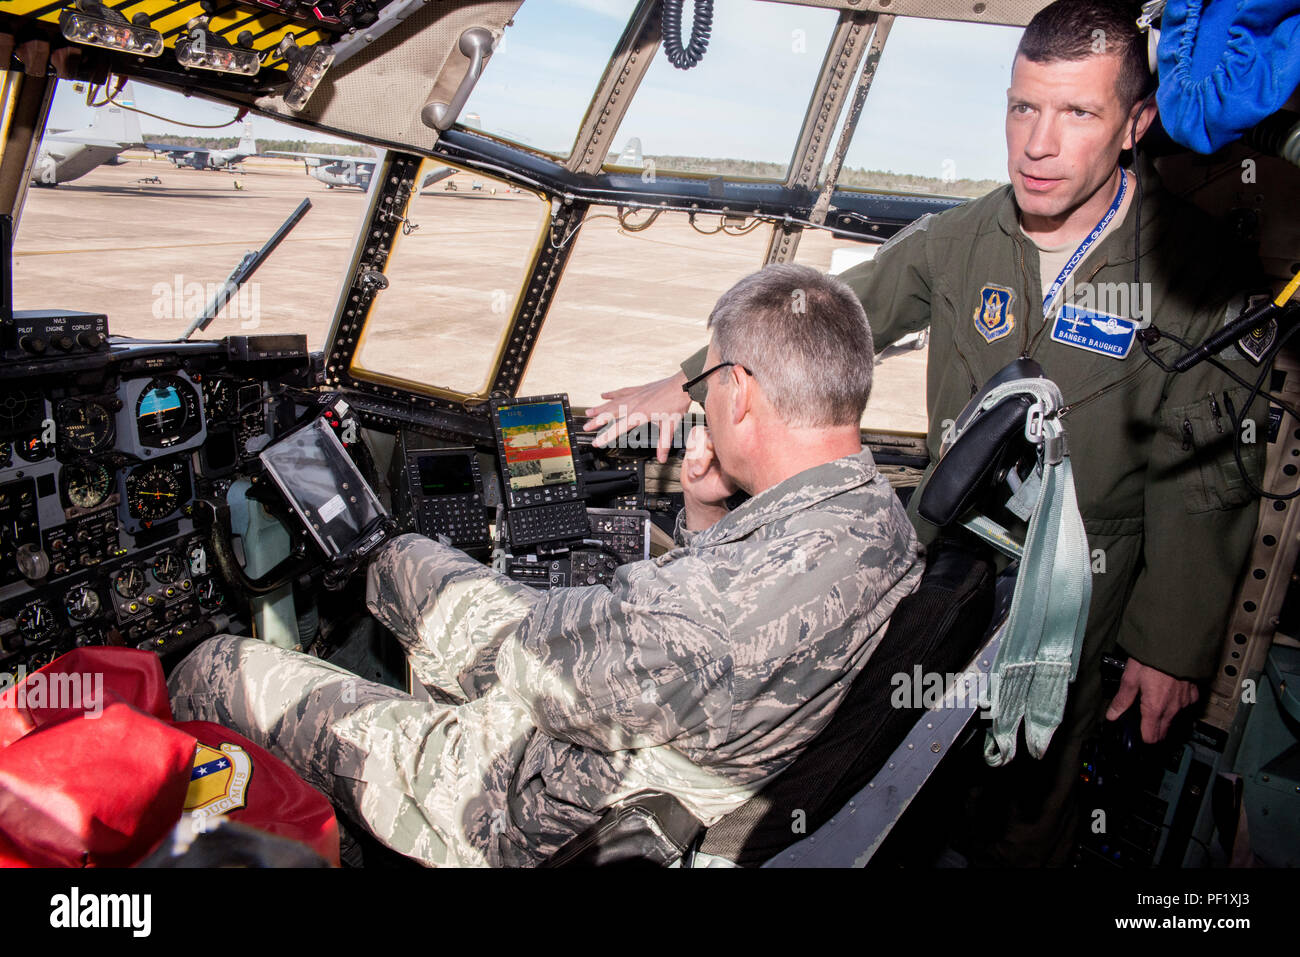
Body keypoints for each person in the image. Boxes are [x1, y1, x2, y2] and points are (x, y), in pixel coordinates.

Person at [584, 0, 1267, 864]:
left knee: (1029, 809)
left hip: (1087, 585)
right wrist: (690, 379)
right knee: (894, 778)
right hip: (944, 557)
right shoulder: (964, 236)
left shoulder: (1194, 270)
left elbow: (1203, 474)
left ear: (1135, 124)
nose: (1038, 143)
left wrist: (1169, 644)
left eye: (1078, 113)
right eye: (1023, 107)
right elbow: (834, 308)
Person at [167, 264, 924, 867]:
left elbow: (542, 670)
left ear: (743, 393)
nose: (704, 403)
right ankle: (370, 557)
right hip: (635, 714)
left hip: (513, 799)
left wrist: (505, 618)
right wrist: (702, 513)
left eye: (708, 384)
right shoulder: (877, 520)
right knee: (401, 558)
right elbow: (728, 628)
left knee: (216, 664)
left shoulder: (697, 622)